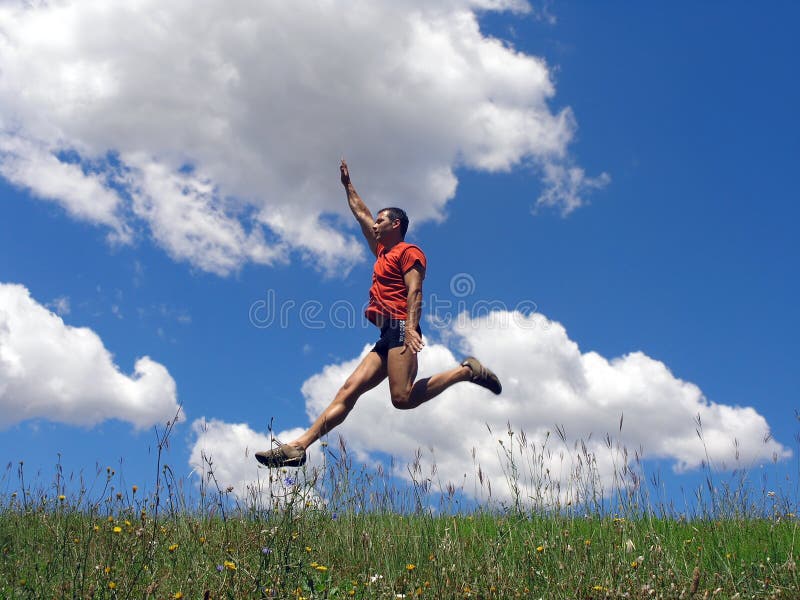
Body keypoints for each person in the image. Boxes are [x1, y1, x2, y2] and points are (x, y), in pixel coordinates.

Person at [255, 160, 501, 468]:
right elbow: (361, 213)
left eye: (381, 220)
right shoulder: (383, 252)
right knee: (348, 390)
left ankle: (466, 371)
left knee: (402, 398)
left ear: (395, 225)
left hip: (401, 326)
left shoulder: (409, 252)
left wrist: (410, 328)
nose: (374, 224)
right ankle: (299, 447)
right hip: (386, 334)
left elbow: (415, 291)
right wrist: (347, 185)